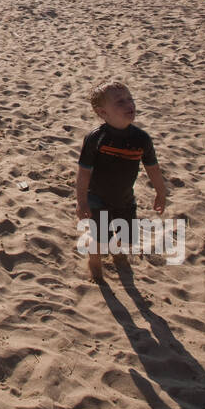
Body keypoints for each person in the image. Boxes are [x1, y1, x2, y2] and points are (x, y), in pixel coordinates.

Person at [75, 81, 166, 282]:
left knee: (125, 234)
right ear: (102, 112)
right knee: (99, 238)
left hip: (125, 198)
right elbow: (83, 173)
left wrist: (161, 192)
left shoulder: (141, 139)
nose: (128, 104)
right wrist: (81, 201)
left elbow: (153, 168)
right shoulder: (96, 138)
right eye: (120, 102)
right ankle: (95, 263)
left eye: (130, 99)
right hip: (97, 198)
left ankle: (116, 252)